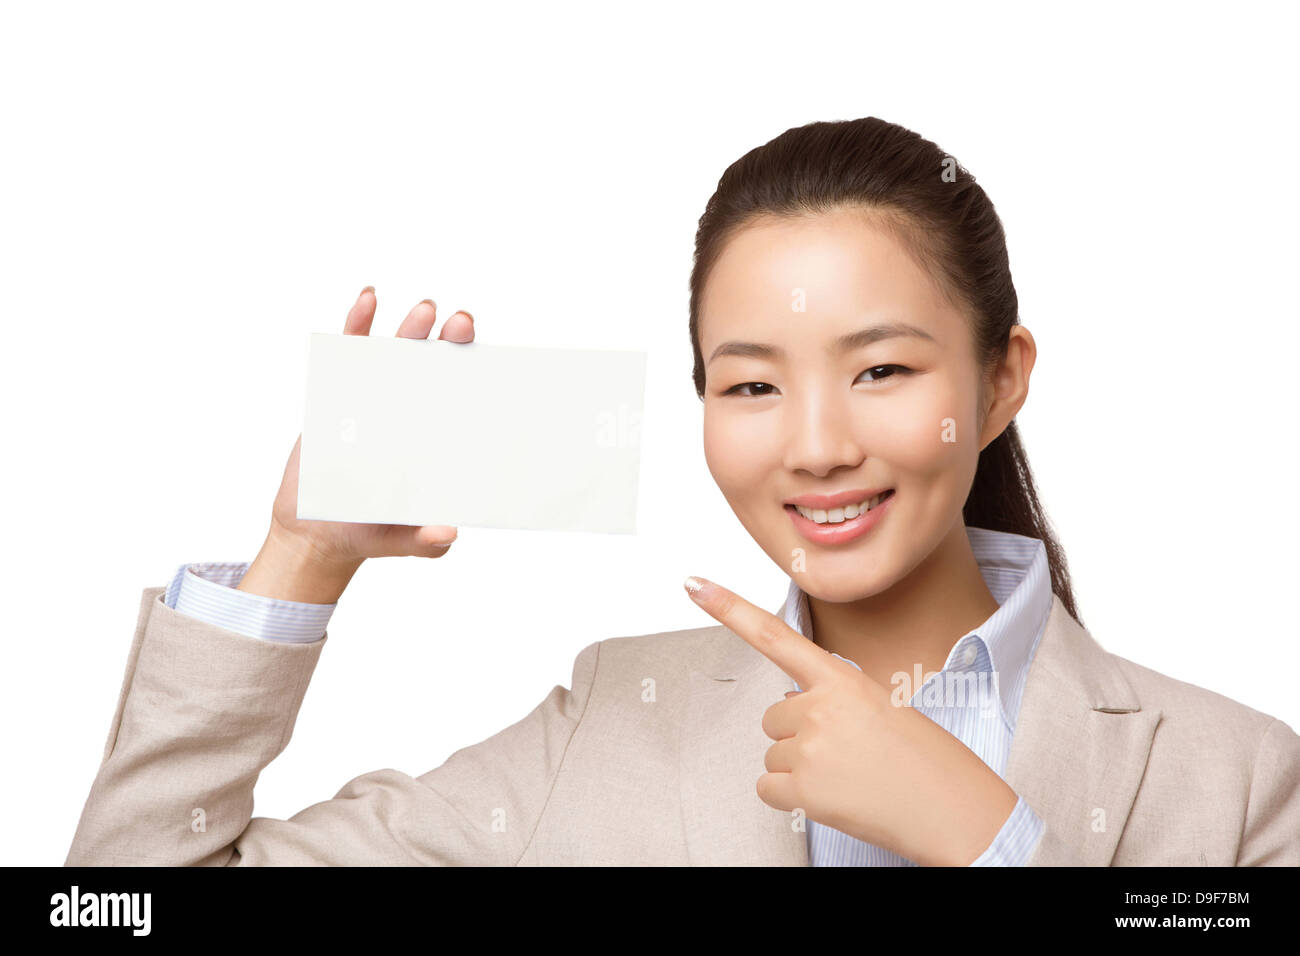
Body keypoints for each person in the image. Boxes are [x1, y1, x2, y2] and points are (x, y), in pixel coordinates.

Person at [66, 117, 1300, 866]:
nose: (813, 445)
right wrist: (299, 556)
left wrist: (991, 842)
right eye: (751, 385)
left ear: (997, 381)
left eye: (878, 368)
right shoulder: (611, 723)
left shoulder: (1235, 778)